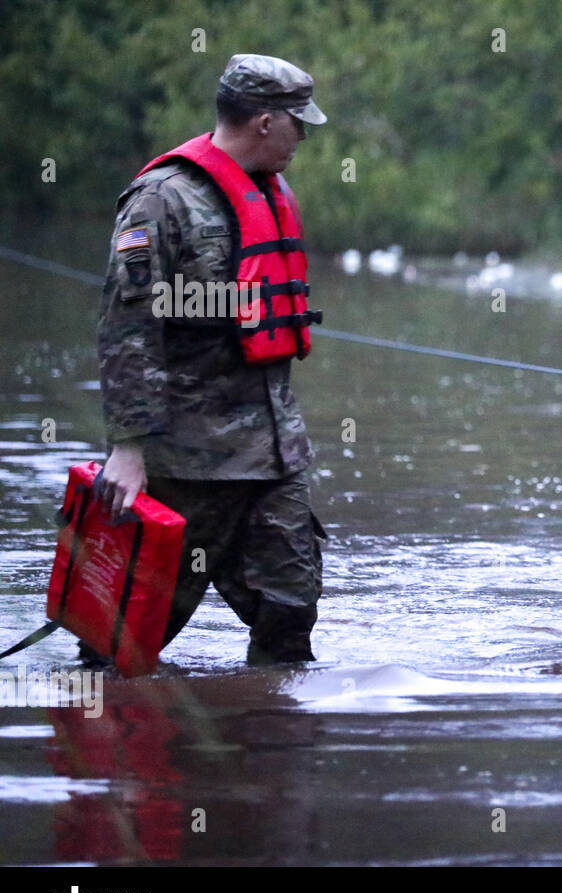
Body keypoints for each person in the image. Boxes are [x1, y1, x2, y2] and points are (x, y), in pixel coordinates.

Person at [93, 54, 328, 665]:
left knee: (291, 618)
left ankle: (269, 746)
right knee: (122, 648)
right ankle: (109, 750)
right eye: (298, 123)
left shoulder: (271, 192)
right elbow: (127, 329)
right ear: (265, 122)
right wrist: (128, 448)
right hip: (185, 462)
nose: (303, 137)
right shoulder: (159, 202)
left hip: (273, 457)